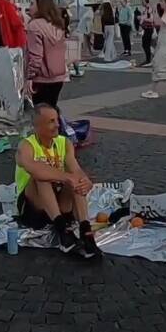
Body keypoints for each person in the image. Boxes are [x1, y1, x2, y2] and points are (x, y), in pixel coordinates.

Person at [15, 104, 100, 259]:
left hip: (59, 204)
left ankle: (85, 231)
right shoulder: (26, 146)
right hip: (33, 206)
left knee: (76, 177)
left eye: (57, 120)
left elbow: (75, 169)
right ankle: (63, 232)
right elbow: (33, 167)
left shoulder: (64, 143)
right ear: (37, 126)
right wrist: (65, 177)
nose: (57, 125)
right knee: (41, 176)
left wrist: (85, 180)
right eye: (51, 122)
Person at [26, 0, 68, 109]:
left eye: (32, 3)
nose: (29, 7)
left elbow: (36, 57)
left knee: (41, 114)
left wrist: (29, 77)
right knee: (52, 109)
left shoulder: (34, 25)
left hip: (41, 78)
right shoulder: (57, 24)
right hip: (58, 77)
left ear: (41, 6)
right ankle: (58, 126)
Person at [139, 0, 154, 66]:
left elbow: (151, 19)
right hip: (146, 28)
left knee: (146, 44)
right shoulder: (146, 9)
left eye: (142, 1)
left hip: (149, 28)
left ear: (145, 1)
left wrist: (143, 18)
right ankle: (148, 59)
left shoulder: (149, 9)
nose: (142, 2)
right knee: (145, 44)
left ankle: (148, 60)